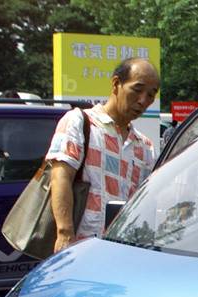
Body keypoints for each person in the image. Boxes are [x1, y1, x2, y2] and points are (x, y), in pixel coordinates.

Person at [46, 57, 159, 252]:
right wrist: (65, 234)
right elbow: (60, 177)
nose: (143, 101)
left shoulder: (145, 146)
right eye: (137, 90)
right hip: (79, 248)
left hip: (122, 251)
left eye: (151, 95)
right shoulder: (80, 122)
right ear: (116, 84)